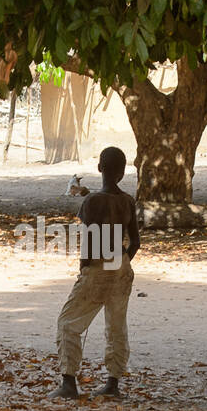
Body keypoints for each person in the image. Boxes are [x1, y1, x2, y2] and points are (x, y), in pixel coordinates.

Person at [52, 146, 141, 398]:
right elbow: (135, 242)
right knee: (116, 326)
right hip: (121, 265)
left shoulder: (92, 201)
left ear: (99, 168)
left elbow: (90, 241)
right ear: (123, 173)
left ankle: (69, 382)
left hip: (97, 266)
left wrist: (86, 268)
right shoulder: (127, 201)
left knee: (68, 323)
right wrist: (122, 262)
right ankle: (113, 384)